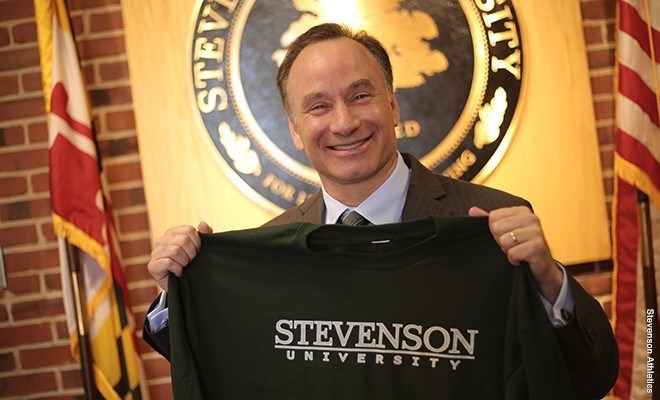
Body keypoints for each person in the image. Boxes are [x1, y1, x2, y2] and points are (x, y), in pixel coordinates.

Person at [144, 23, 618, 398]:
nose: (344, 122)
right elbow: (229, 371)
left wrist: (550, 283)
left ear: (392, 104)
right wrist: (181, 293)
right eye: (318, 106)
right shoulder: (272, 251)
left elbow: (590, 380)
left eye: (360, 96)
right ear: (293, 129)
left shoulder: (492, 222)